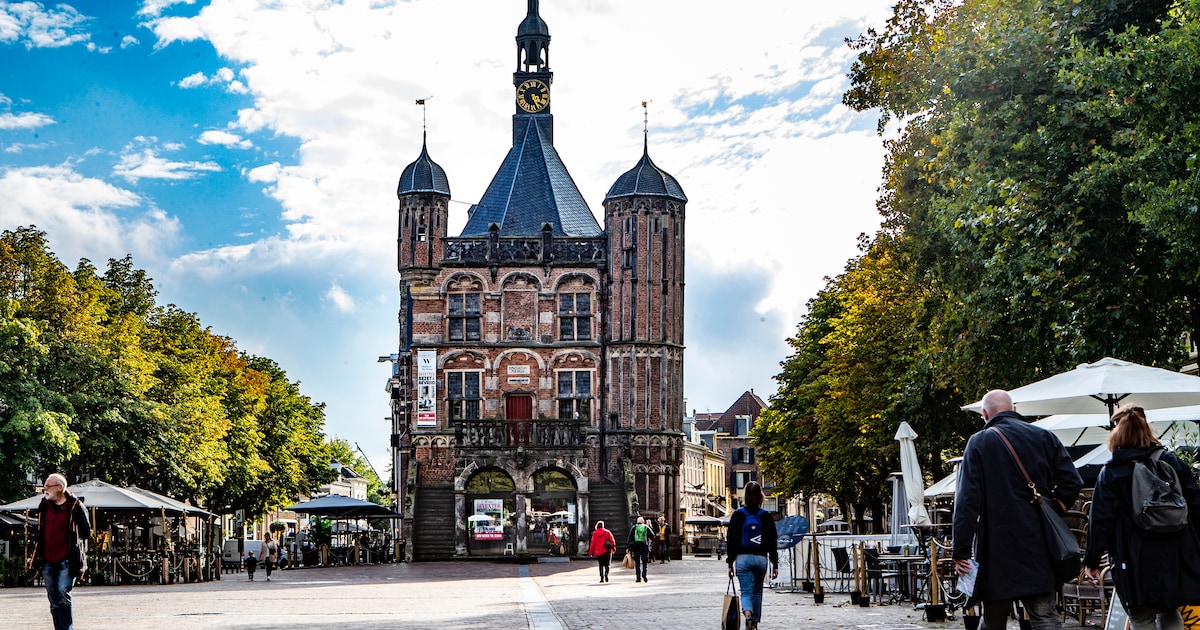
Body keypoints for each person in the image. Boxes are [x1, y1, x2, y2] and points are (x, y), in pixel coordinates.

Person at [953, 389, 1083, 630]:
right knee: (1044, 616)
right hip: (1039, 542)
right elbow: (1072, 481)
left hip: (996, 547)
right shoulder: (1044, 437)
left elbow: (967, 502)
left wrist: (960, 550)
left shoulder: (979, 442)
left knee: (993, 619)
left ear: (984, 414)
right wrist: (1055, 506)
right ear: (1014, 410)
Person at [1083, 404, 1200, 629]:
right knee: (1169, 608)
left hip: (1134, 554)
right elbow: (1195, 503)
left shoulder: (1111, 472)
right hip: (1175, 550)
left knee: (1141, 615)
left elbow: (1100, 520)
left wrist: (1092, 561)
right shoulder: (1171, 462)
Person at [30, 473, 92, 630]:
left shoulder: (75, 506)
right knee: (54, 598)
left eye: (48, 486)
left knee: (63, 593)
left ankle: (67, 628)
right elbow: (39, 530)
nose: (45, 489)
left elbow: (86, 532)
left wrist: (75, 542)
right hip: (47, 560)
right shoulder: (44, 506)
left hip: (67, 559)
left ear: (60, 487)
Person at [726, 481, 778, 630]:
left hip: (743, 558)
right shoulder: (766, 516)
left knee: (746, 591)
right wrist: (775, 563)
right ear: (761, 497)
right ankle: (754, 622)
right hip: (761, 558)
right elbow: (772, 541)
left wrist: (730, 563)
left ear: (745, 497)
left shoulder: (738, 515)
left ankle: (748, 615)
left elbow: (732, 540)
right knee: (757, 591)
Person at [627, 516, 653, 582]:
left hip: (636, 547)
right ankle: (644, 574)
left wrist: (629, 548)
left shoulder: (634, 528)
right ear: (643, 522)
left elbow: (630, 538)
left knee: (637, 563)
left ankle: (638, 578)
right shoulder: (646, 527)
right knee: (644, 562)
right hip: (645, 546)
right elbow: (652, 535)